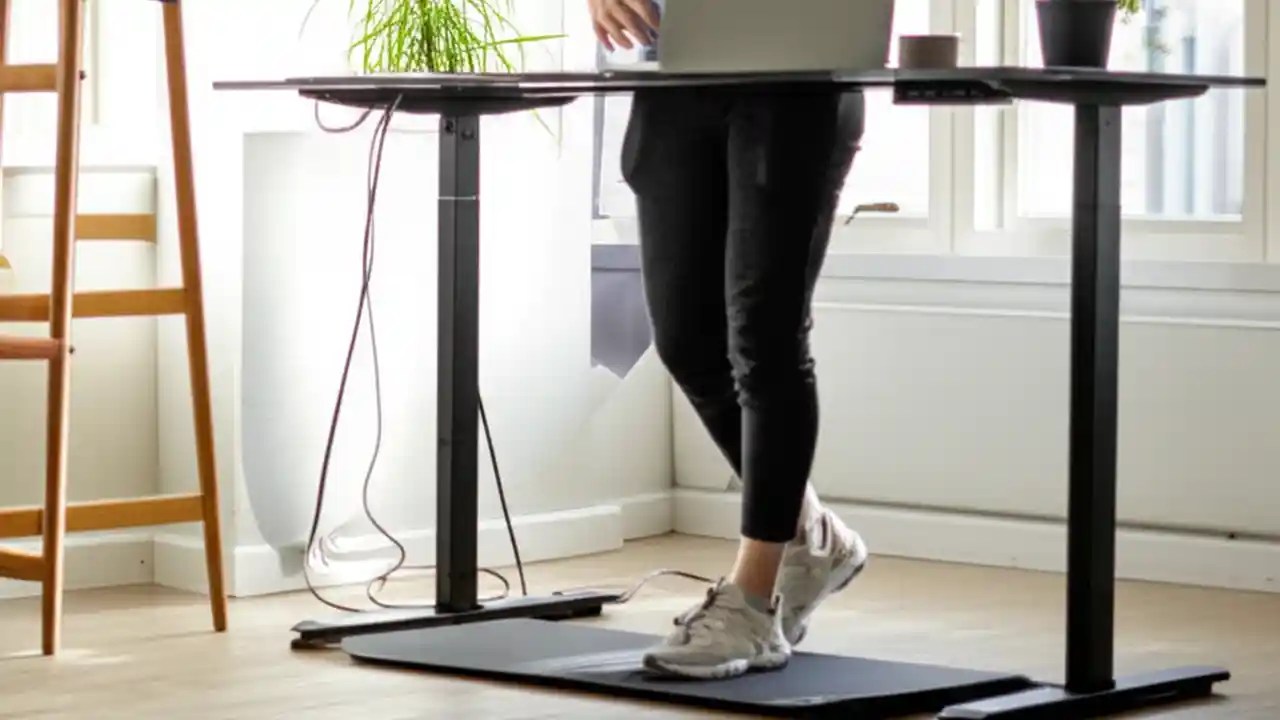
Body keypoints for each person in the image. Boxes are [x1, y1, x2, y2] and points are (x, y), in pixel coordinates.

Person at [588, 0, 870, 679]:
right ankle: (813, 535)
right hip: (678, 78)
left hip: (798, 85)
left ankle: (751, 602)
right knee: (686, 340)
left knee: (765, 337)